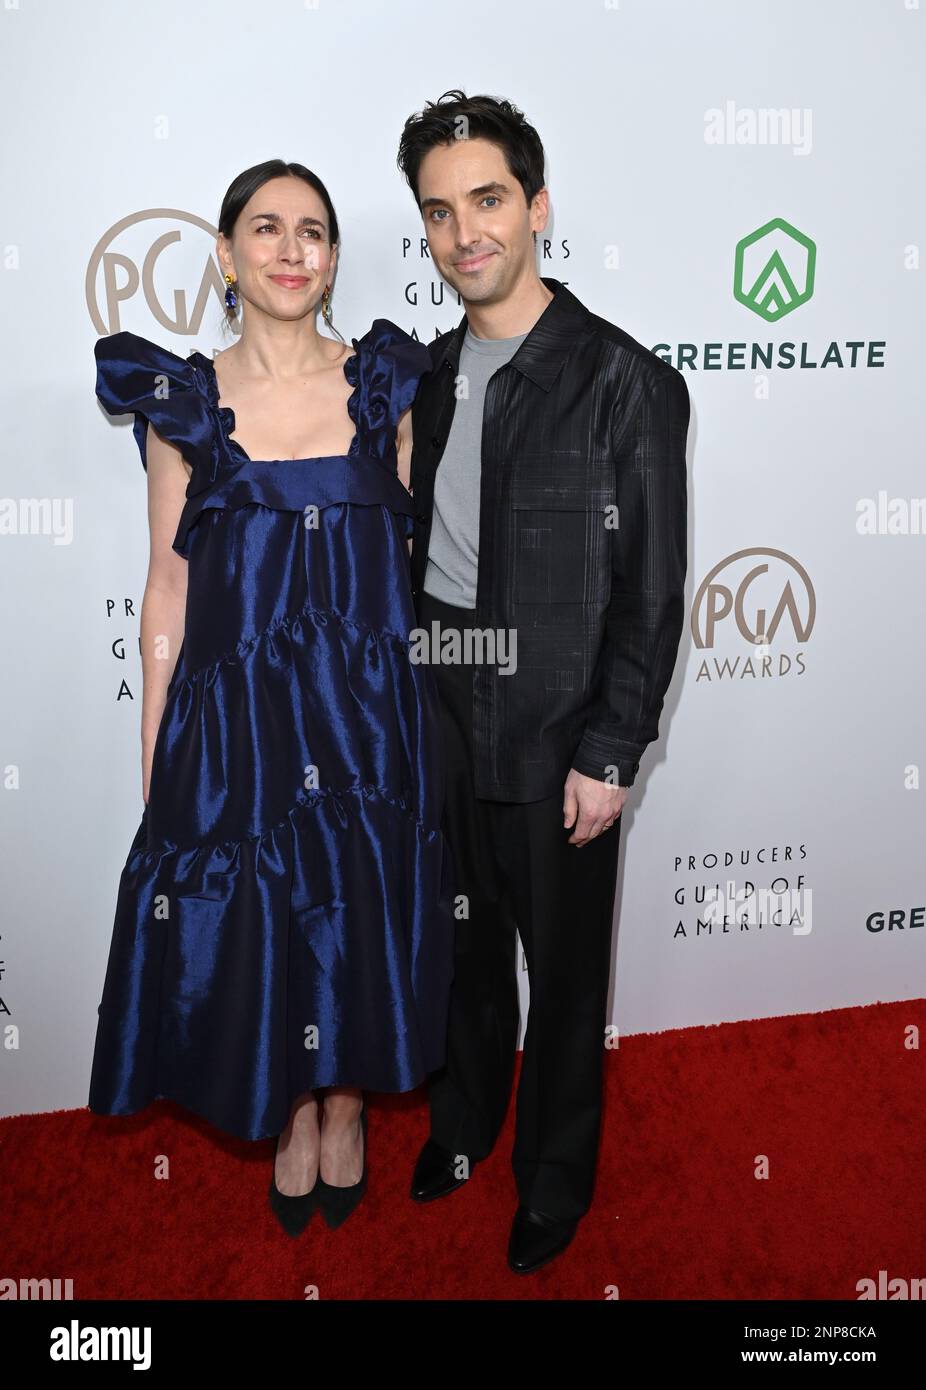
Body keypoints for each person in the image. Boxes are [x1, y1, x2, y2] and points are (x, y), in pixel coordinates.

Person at [89, 159, 455, 1238]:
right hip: (239, 722)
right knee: (265, 919)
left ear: (333, 258)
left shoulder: (386, 384)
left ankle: (347, 1110)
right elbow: (166, 582)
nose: (290, 249)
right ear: (226, 254)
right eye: (265, 228)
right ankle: (291, 1115)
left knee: (357, 909)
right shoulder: (184, 403)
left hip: (366, 717)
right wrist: (156, 744)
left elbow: (416, 551)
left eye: (311, 231)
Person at [396, 92, 690, 1273]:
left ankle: (554, 1180)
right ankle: (463, 1130)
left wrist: (611, 746)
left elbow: (652, 589)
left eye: (486, 199)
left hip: (560, 722)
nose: (464, 231)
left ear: (536, 208)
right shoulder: (423, 373)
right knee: (461, 953)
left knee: (564, 980)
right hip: (443, 699)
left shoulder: (621, 378)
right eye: (438, 210)